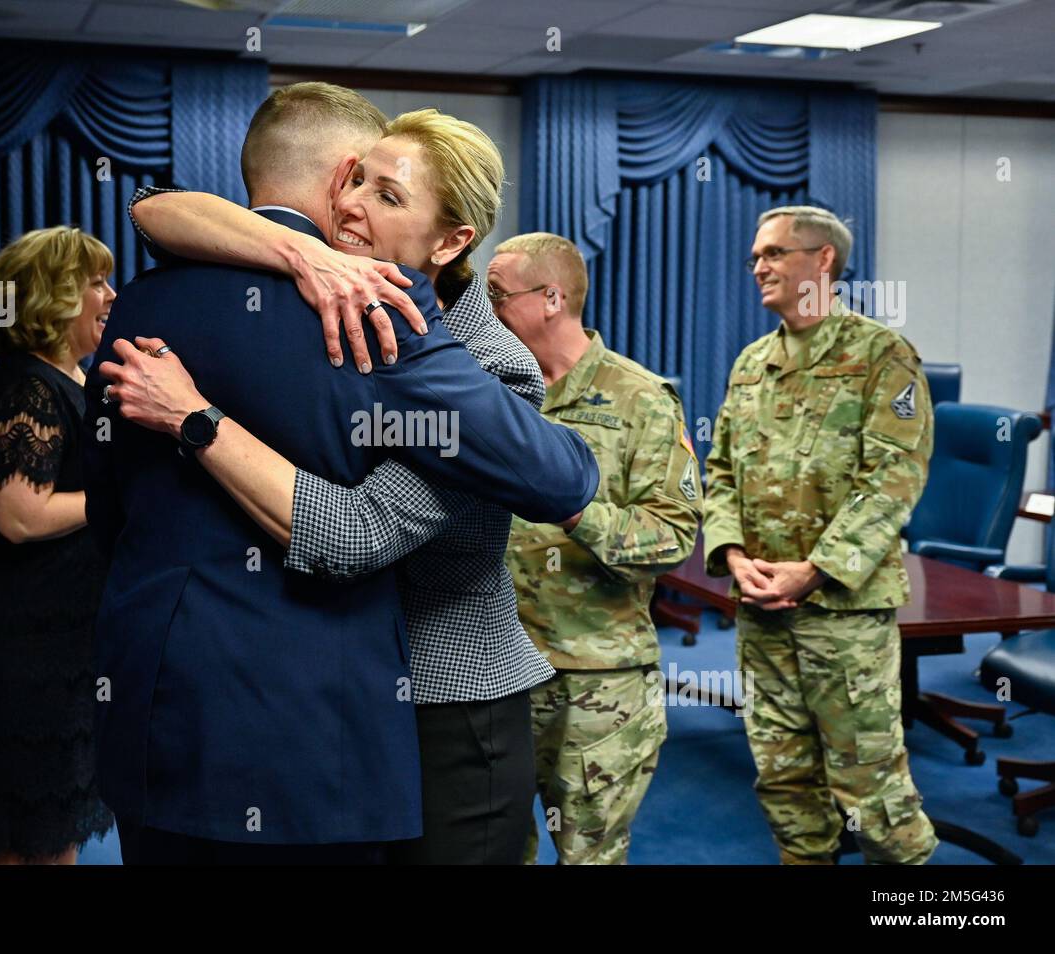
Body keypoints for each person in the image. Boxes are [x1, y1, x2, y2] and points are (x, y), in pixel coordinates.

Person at [83, 83, 598, 864]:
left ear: (451, 240)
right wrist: (302, 250)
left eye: (387, 194)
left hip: (450, 704)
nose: (352, 205)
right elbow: (155, 204)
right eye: (355, 181)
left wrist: (195, 419)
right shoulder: (324, 297)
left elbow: (356, 535)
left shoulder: (461, 353)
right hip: (325, 706)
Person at [703, 205, 938, 865]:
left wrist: (816, 569)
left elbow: (894, 478)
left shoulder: (881, 355)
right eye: (755, 257)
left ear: (823, 260)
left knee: (871, 792)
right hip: (763, 611)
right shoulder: (752, 362)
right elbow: (719, 470)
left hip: (842, 614)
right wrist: (732, 553)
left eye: (774, 253)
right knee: (785, 783)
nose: (758, 267)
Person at [490, 232, 701, 864]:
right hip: (496, 670)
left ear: (551, 298)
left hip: (595, 680)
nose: (486, 309)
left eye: (499, 295)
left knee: (589, 856)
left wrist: (577, 510)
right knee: (496, 851)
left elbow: (673, 536)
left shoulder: (641, 399)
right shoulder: (487, 391)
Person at [0, 226, 116, 864]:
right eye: (94, 282)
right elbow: (21, 515)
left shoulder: (72, 377)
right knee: (25, 838)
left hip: (55, 637)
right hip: (14, 645)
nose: (110, 295)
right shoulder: (27, 388)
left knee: (51, 830)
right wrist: (117, 504)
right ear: (54, 297)